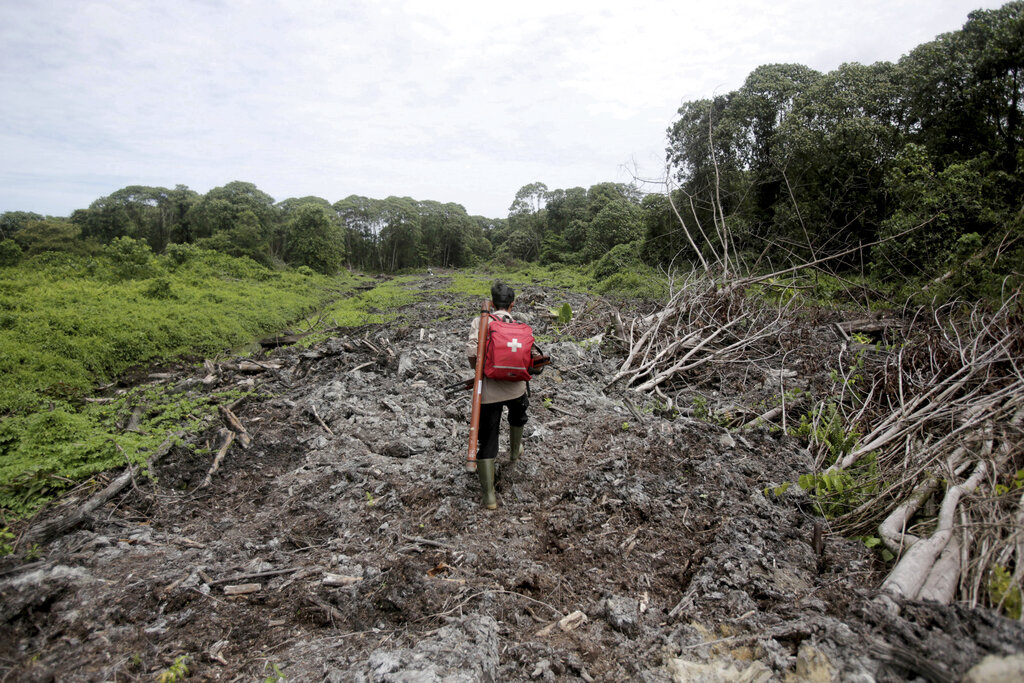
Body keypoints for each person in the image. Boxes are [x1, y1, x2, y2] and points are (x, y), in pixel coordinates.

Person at [466, 282, 537, 509]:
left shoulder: (481, 321)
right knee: (518, 417)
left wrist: (484, 370)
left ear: (492, 302)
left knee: (488, 440)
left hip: (489, 392)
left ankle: (489, 498)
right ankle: (515, 453)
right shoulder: (518, 324)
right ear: (512, 304)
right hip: (517, 388)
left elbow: (471, 354)